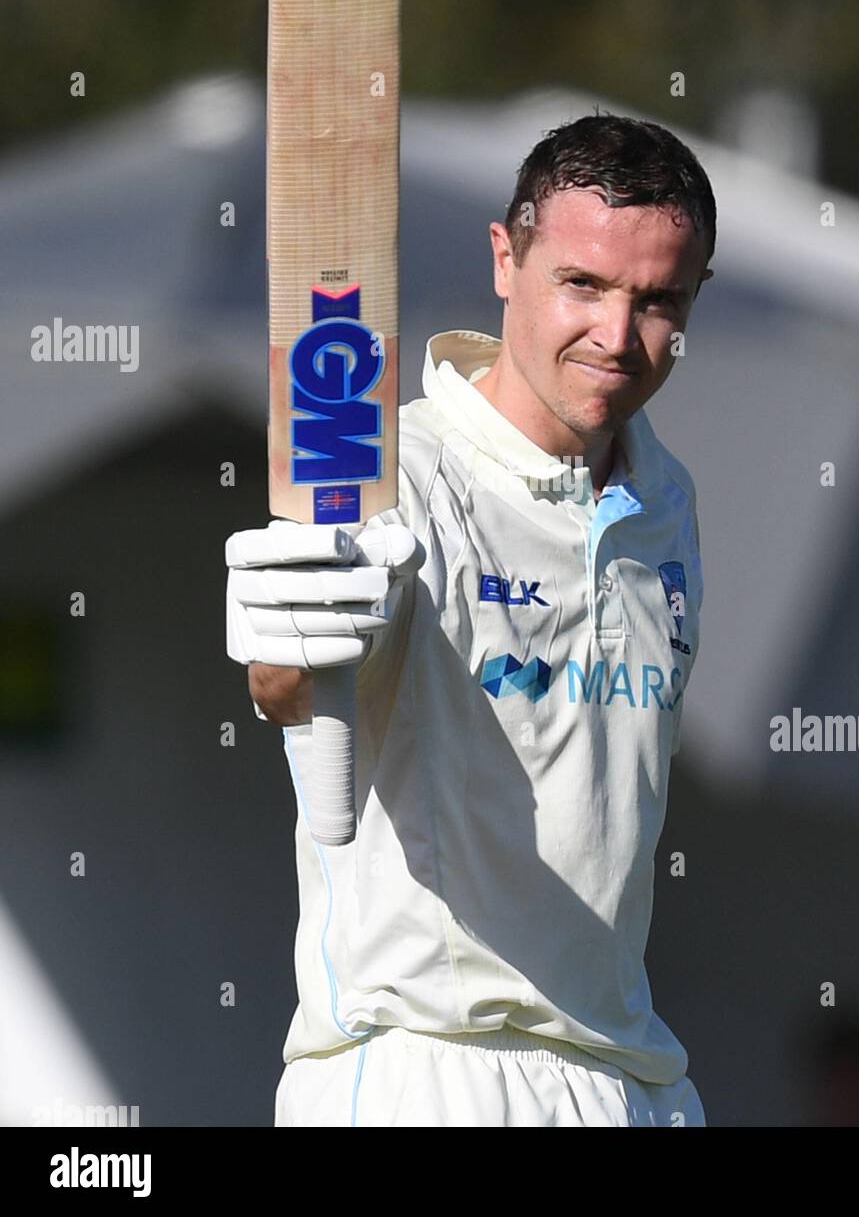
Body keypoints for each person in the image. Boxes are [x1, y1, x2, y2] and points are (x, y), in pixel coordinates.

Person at [226, 113, 716, 1126]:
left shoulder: (666, 503)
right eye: (581, 284)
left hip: (631, 1074)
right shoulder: (393, 479)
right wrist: (285, 643)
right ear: (507, 257)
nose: (616, 337)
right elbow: (290, 687)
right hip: (428, 1068)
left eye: (656, 300)